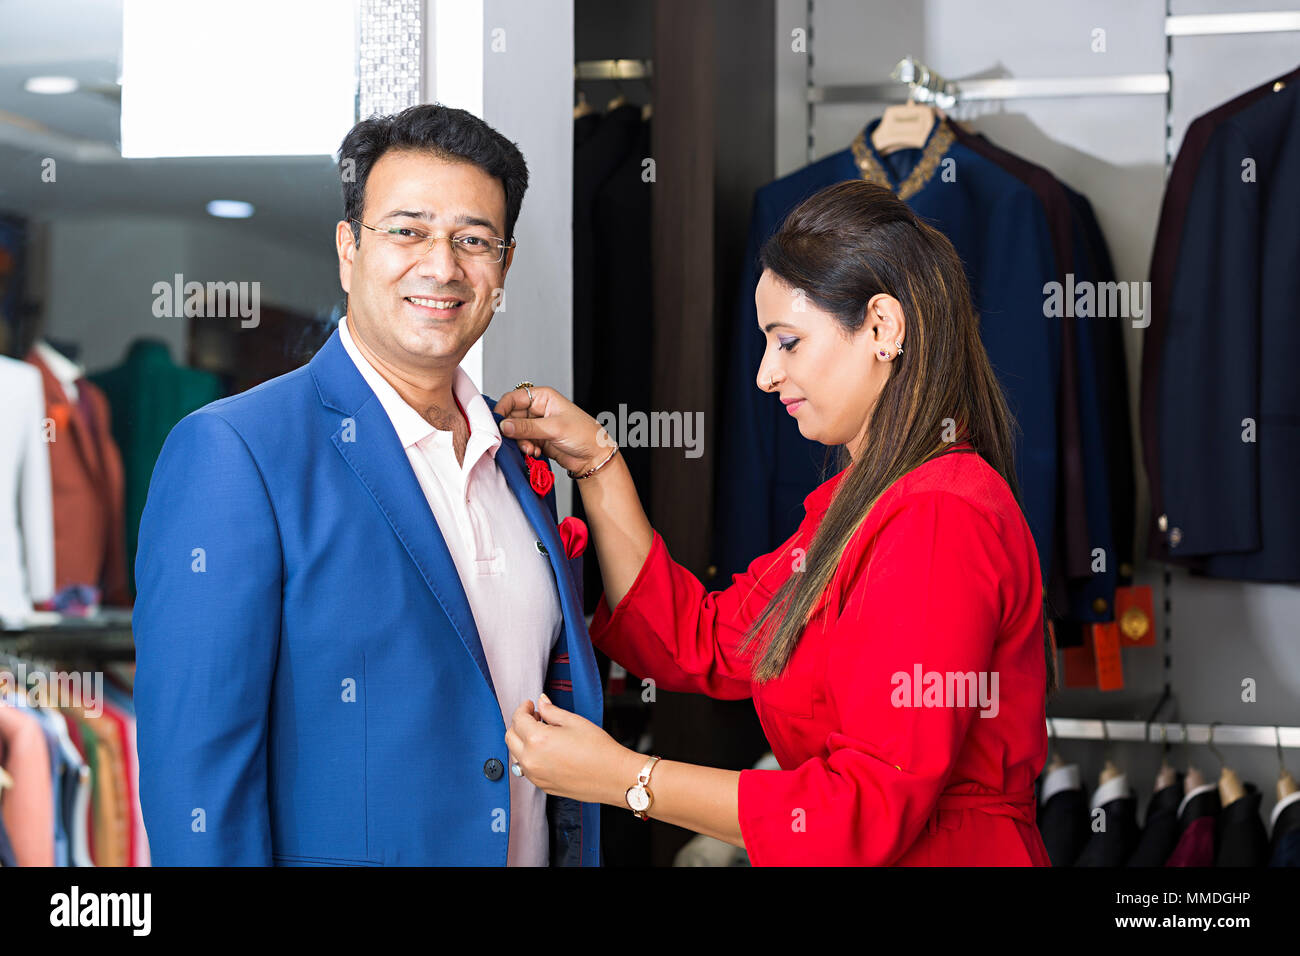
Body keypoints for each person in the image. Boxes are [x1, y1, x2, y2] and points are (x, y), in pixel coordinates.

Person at [499, 179, 1057, 866]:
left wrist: (627, 780)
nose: (766, 375)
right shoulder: (869, 504)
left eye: (787, 342)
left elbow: (863, 809)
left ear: (882, 328)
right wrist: (598, 464)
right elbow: (696, 638)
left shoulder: (937, 517)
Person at [133, 104, 602, 866]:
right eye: (407, 230)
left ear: (503, 268)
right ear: (349, 249)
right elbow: (199, 789)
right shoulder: (235, 452)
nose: (443, 266)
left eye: (474, 240)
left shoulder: (516, 452)